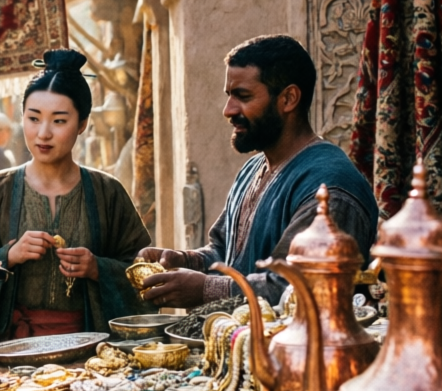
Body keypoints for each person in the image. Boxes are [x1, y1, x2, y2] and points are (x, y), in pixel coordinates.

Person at [137, 35, 378, 309]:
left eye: (243, 96)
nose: (228, 110)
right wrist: (183, 261)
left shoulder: (329, 187)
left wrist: (205, 290)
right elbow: (223, 253)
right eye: (229, 96)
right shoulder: (253, 169)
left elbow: (300, 289)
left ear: (288, 99)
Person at [0, 49, 150, 341]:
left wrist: (98, 268)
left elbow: (144, 273)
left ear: (82, 124)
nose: (43, 133)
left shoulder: (108, 192)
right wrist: (7, 256)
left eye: (59, 121)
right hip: (10, 349)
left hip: (94, 350)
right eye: (33, 118)